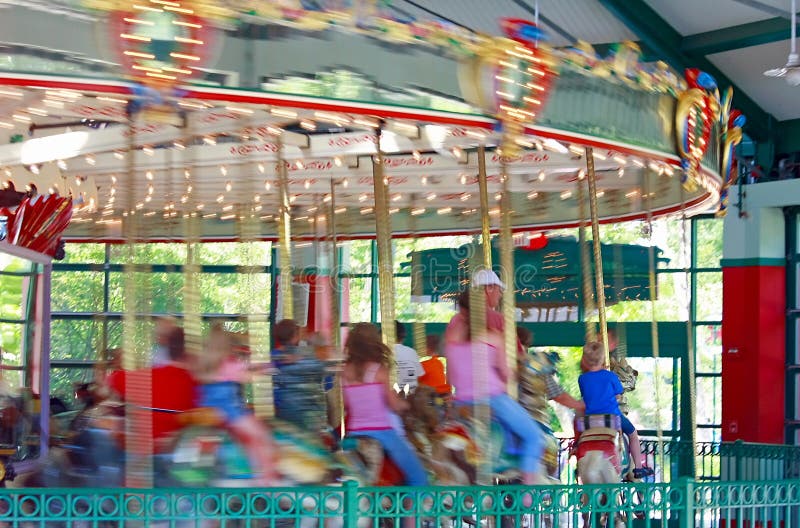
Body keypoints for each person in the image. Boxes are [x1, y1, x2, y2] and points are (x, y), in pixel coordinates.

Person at [444, 271, 546, 486]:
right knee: (534, 437)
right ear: (488, 289)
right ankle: (529, 494)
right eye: (498, 289)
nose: (499, 295)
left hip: (460, 401)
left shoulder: (452, 328)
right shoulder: (497, 325)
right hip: (492, 398)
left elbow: (450, 373)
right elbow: (511, 368)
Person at [341, 322, 428, 491]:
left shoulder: (344, 372)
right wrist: (406, 404)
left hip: (354, 433)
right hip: (382, 433)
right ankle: (409, 517)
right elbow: (393, 404)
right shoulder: (378, 370)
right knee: (419, 478)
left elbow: (347, 404)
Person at [197, 324, 279, 485]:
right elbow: (245, 376)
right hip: (229, 412)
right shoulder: (227, 363)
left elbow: (244, 368)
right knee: (261, 435)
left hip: (210, 410)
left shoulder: (207, 363)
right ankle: (265, 477)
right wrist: (263, 370)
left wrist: (256, 367)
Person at [578, 340, 654, 480]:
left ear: (585, 359)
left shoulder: (582, 378)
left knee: (577, 425)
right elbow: (618, 394)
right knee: (632, 433)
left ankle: (577, 450)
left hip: (590, 420)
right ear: (602, 359)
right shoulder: (611, 376)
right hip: (612, 417)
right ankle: (638, 467)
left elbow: (586, 396)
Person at [272, 319, 328, 432]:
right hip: (309, 415)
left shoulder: (272, 357)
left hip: (282, 411)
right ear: (295, 337)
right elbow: (326, 381)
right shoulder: (308, 358)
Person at [516, 326, 585, 412]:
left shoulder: (498, 359)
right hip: (529, 415)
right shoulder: (535, 363)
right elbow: (558, 395)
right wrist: (582, 406)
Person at [394, 321, 424, 395]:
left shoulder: (383, 353)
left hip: (392, 400)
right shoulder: (412, 352)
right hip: (412, 399)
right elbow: (419, 376)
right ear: (403, 337)